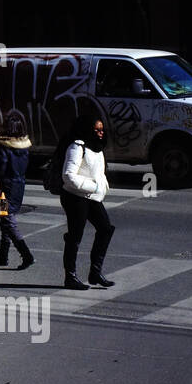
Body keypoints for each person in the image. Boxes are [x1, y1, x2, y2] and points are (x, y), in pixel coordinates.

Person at [59, 113, 117, 289]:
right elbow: (68, 176)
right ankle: (70, 277)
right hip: (75, 197)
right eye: (96, 130)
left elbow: (99, 173)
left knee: (105, 229)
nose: (101, 133)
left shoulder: (97, 147)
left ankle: (95, 272)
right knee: (75, 236)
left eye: (102, 129)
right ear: (87, 130)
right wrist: (94, 187)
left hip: (92, 197)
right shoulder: (77, 147)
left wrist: (101, 187)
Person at [0, 114, 35, 269]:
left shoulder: (4, 148)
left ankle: (26, 255)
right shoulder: (25, 148)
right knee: (5, 221)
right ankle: (3, 256)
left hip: (4, 191)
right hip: (18, 188)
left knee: (8, 222)